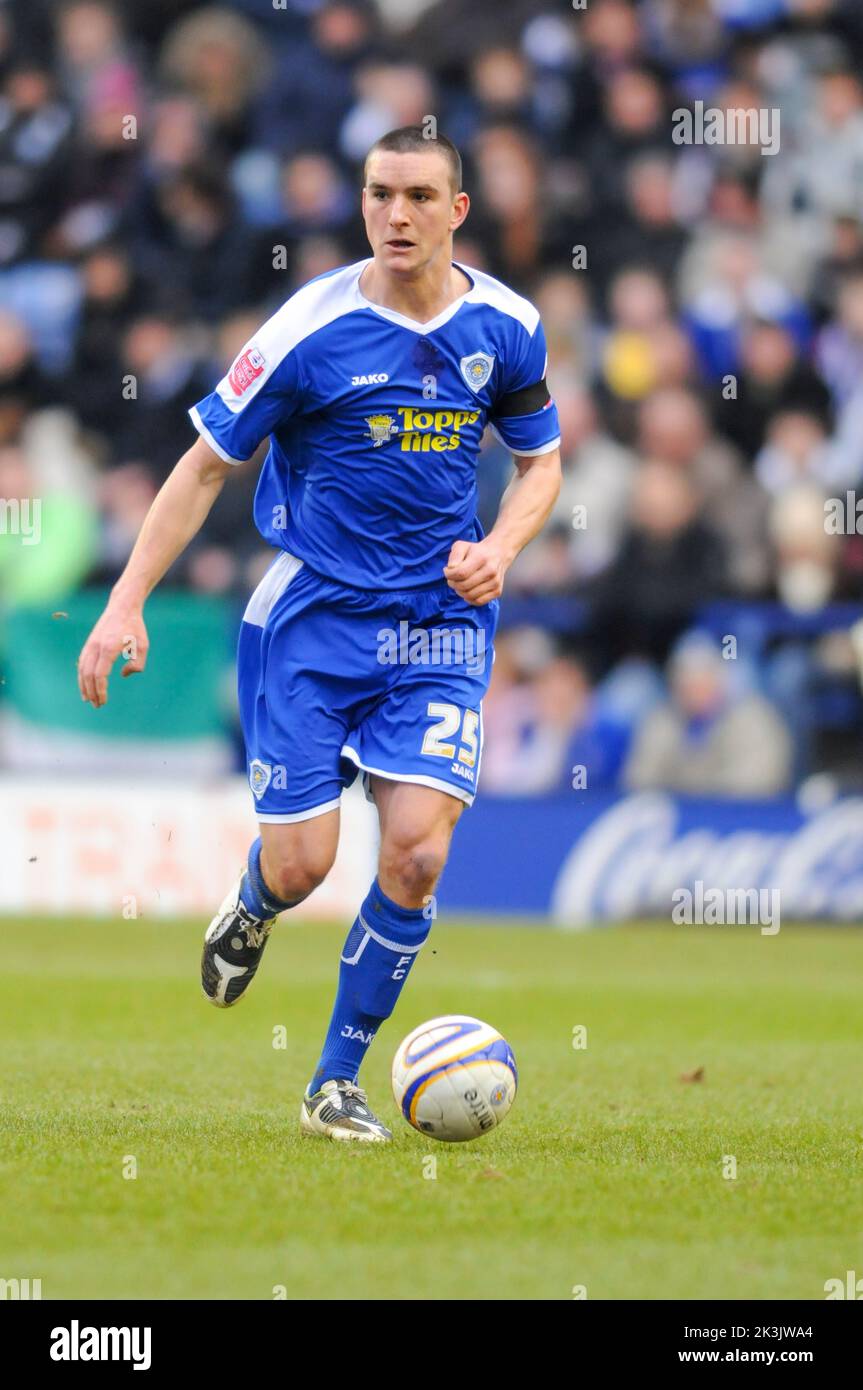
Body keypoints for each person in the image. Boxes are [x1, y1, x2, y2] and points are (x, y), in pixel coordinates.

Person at [76, 126, 561, 1143]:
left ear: (456, 211)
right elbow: (204, 465)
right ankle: (256, 900)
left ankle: (330, 1083)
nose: (396, 214)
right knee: (302, 864)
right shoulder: (307, 330)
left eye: (420, 196)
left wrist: (503, 548)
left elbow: (540, 464)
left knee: (417, 857)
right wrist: (123, 603)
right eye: (380, 194)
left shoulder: (508, 328)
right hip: (312, 620)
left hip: (439, 622)